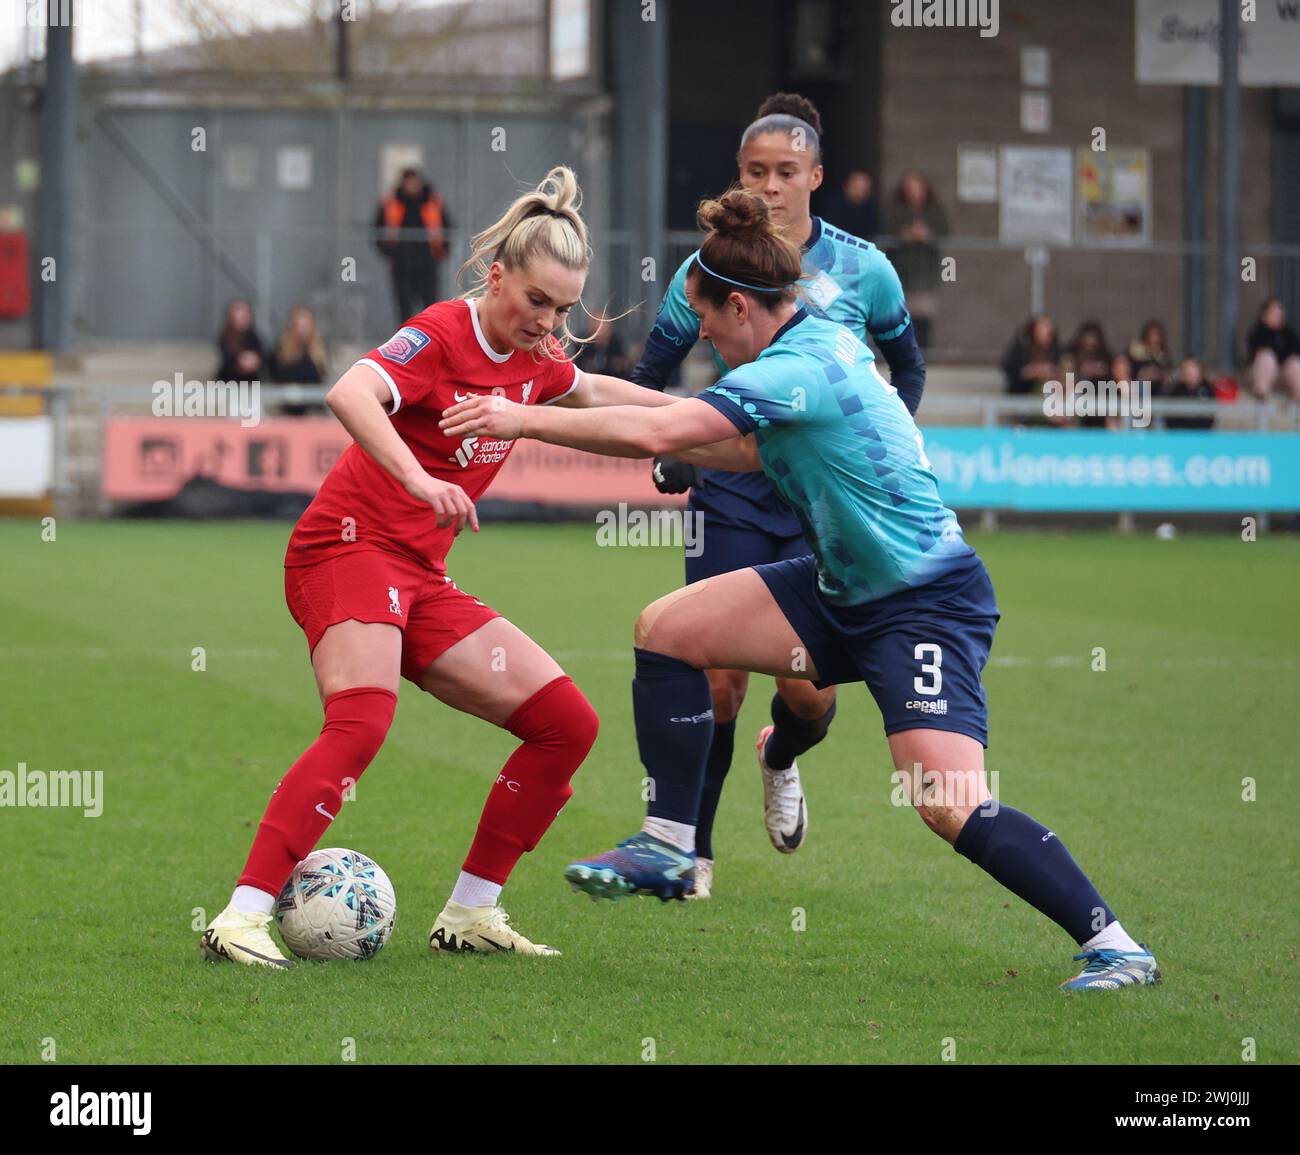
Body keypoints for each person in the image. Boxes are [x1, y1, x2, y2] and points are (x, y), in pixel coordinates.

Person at [441, 189, 1161, 992]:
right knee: (667, 628)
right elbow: (743, 451)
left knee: (944, 799)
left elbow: (658, 431)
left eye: (707, 320)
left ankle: (1115, 943)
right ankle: (672, 842)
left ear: (740, 306)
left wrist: (517, 418)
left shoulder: (796, 367)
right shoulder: (807, 340)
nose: (704, 335)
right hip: (840, 588)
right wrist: (577, 398)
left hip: (925, 603)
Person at [199, 167, 680, 968]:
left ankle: (471, 910)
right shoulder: (441, 333)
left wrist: (726, 414)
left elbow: (595, 392)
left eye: (564, 308)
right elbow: (350, 391)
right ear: (498, 277)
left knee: (567, 724)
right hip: (344, 548)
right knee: (363, 719)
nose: (549, 323)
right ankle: (241, 916)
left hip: (418, 574)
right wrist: (421, 479)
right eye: (537, 301)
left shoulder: (539, 358)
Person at [630, 93, 927, 899]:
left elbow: (910, 368)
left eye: (785, 171)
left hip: (816, 502)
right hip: (731, 487)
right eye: (754, 171)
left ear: (816, 176)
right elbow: (652, 371)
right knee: (715, 673)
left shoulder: (865, 268)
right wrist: (673, 454)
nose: (768, 186)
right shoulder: (706, 268)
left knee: (808, 691)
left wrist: (878, 459)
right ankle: (692, 850)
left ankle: (781, 755)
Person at [880, 169, 948, 352]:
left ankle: (924, 354)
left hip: (925, 271)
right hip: (901, 270)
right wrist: (905, 235)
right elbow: (885, 231)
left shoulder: (934, 210)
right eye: (910, 188)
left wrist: (927, 234)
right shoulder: (894, 209)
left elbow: (945, 231)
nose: (914, 192)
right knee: (901, 316)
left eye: (918, 188)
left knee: (924, 316)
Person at [374, 168, 452, 326]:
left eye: (415, 181)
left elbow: (447, 229)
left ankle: (431, 342)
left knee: (430, 309)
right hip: (402, 267)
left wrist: (441, 252)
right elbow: (378, 231)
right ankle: (405, 346)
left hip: (427, 266)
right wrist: (389, 253)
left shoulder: (433, 201)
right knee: (404, 310)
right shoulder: (391, 202)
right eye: (408, 182)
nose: (412, 186)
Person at [269, 306, 329, 417]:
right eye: (298, 326)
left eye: (305, 326)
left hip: (312, 408)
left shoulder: (320, 351)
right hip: (285, 408)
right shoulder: (281, 351)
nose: (302, 330)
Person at [1246, 297, 1300, 402]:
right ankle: (1262, 396)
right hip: (1259, 375)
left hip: (1283, 375)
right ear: (1264, 315)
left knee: (1295, 364)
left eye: (1279, 313)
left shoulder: (1288, 333)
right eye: (1273, 312)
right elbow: (1257, 354)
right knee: (1266, 357)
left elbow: (1294, 353)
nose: (1277, 316)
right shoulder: (1258, 333)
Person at [1001, 315, 1061, 396]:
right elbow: (1012, 372)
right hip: (1022, 398)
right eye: (1041, 332)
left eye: (1049, 334)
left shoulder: (1057, 353)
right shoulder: (1020, 353)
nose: (1046, 337)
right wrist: (1032, 372)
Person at [819, 167, 878, 242]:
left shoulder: (869, 208)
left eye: (864, 190)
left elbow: (872, 234)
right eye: (856, 188)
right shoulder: (835, 206)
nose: (860, 194)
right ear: (846, 186)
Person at [216, 298, 266, 382]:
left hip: (250, 384)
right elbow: (224, 361)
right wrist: (239, 362)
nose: (242, 317)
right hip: (228, 383)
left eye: (245, 315)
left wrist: (256, 361)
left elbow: (263, 358)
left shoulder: (254, 337)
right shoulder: (224, 338)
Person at [1163, 356, 1216, 430]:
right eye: (1186, 369)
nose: (1190, 373)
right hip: (1179, 435)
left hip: (1201, 435)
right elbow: (1169, 416)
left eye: (1193, 369)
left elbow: (1210, 416)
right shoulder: (1176, 390)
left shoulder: (1208, 389)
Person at [1127, 319, 1173, 394]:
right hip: (1138, 389)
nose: (1156, 338)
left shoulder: (1162, 354)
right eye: (1153, 334)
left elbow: (1168, 371)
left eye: (1158, 335)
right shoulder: (1136, 351)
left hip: (1158, 390)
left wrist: (1161, 375)